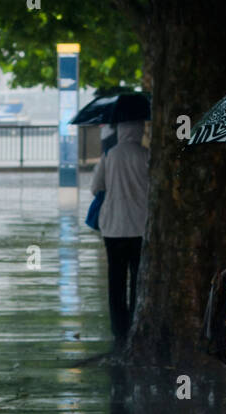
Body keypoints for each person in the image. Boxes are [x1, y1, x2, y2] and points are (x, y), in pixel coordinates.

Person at [89, 118, 149, 349]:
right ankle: (134, 321)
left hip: (113, 228)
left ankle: (118, 328)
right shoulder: (146, 156)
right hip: (139, 227)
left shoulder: (109, 155)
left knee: (115, 279)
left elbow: (96, 187)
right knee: (137, 277)